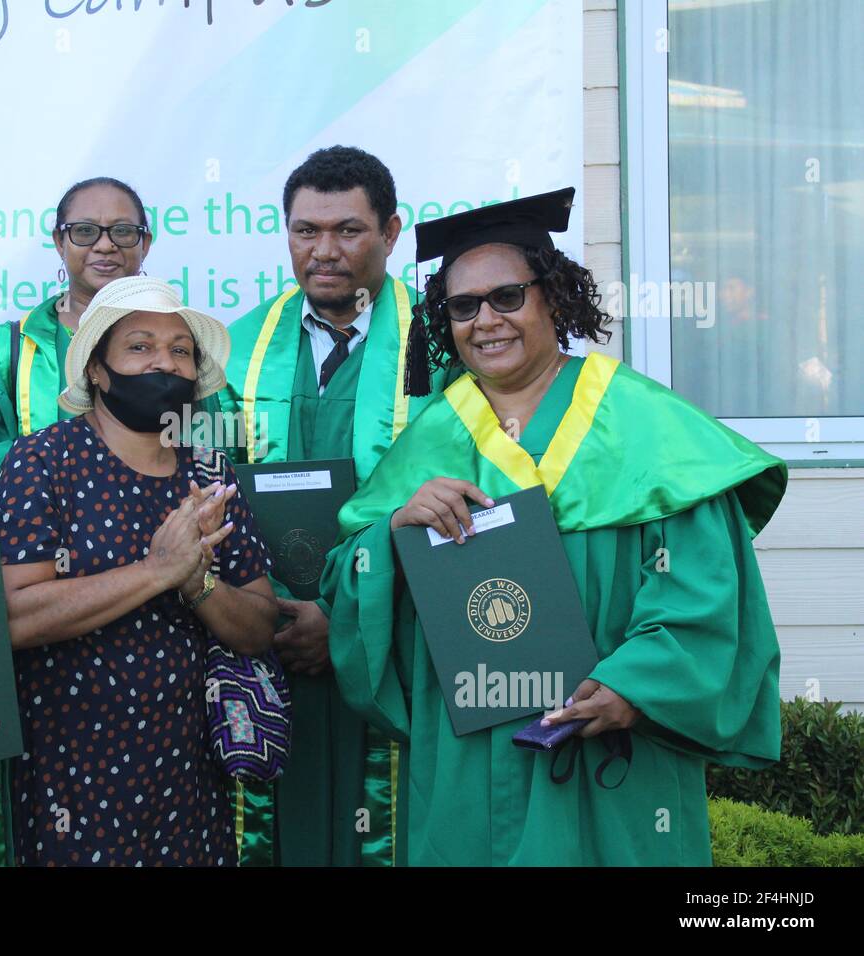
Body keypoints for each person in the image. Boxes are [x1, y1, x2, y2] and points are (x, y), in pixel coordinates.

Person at [319, 187, 786, 865]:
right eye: (463, 307)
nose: (486, 320)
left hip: (611, 754)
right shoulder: (429, 442)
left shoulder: (644, 424)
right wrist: (394, 532)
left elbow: (708, 591)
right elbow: (346, 581)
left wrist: (636, 687)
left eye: (507, 297)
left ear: (554, 299)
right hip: (466, 764)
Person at [0, 276, 278, 866]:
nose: (164, 362)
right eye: (140, 346)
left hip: (191, 783)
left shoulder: (211, 472)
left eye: (180, 350)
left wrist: (198, 584)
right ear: (97, 369)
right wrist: (157, 571)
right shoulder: (43, 461)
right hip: (70, 783)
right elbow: (12, 617)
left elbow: (260, 627)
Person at [217, 145, 453, 866]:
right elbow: (207, 488)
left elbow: (470, 499)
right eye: (306, 230)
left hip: (398, 646)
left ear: (391, 232)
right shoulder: (234, 351)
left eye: (348, 230)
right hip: (265, 639)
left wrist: (345, 617)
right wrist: (266, 610)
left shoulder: (446, 348)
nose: (324, 251)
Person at [0, 176, 157, 534]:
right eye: (84, 231)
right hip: (38, 551)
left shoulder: (178, 347)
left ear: (145, 243)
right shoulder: (12, 350)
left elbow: (202, 458)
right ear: (59, 241)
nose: (105, 245)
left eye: (122, 232)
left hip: (158, 545)